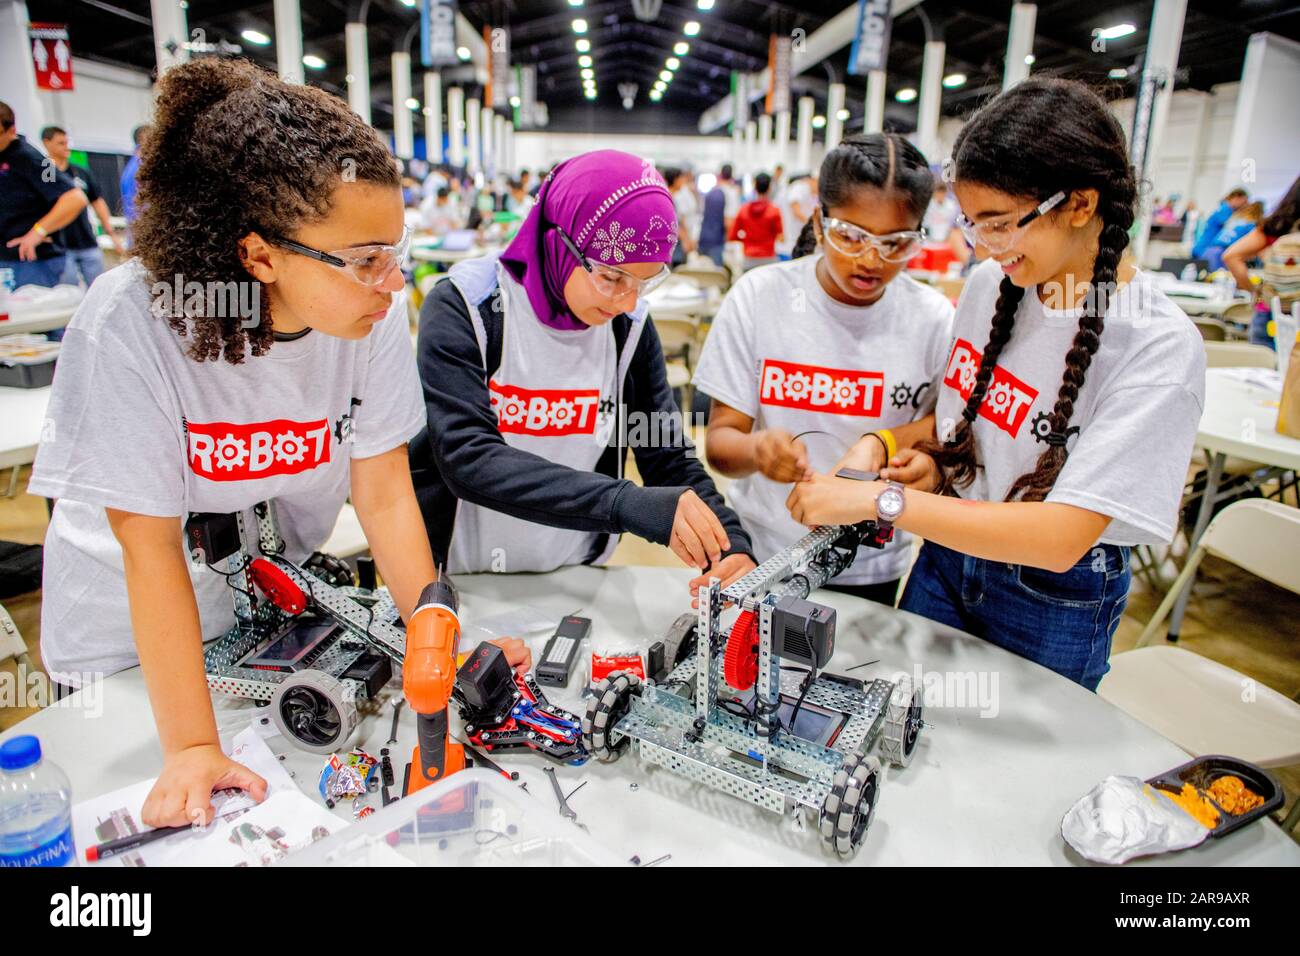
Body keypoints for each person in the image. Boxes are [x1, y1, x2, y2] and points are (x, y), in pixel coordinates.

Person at [27, 59, 529, 830]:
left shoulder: (369, 318)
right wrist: (191, 743)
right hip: (128, 650)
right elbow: (148, 548)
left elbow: (386, 492)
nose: (393, 280)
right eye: (366, 259)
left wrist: (439, 638)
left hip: (257, 630)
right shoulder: (136, 322)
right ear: (259, 255)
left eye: (393, 251)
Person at [786, 78, 1205, 691]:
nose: (982, 247)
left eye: (1000, 225)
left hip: (1051, 596)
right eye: (971, 224)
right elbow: (968, 428)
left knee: (1019, 778)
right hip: (946, 557)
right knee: (904, 727)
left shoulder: (1155, 344)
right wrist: (904, 454)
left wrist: (881, 502)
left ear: (1080, 205)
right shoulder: (993, 287)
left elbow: (1061, 538)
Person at [409, 150, 756, 598]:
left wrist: (728, 544)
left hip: (575, 575)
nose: (627, 301)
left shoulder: (627, 328)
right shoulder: (471, 307)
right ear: (559, 240)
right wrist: (623, 502)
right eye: (612, 277)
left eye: (645, 282)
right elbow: (468, 457)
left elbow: (663, 451)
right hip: (463, 576)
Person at [694, 134, 954, 606]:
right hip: (763, 553)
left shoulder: (933, 319)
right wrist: (757, 450)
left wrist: (916, 460)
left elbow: (947, 429)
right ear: (818, 221)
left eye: (896, 243)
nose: (871, 259)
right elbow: (720, 443)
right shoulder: (760, 298)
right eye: (851, 236)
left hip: (869, 564)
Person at [0, 101, 88, 288]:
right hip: (7, 261)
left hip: (33, 263)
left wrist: (38, 231)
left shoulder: (32, 158)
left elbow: (74, 198)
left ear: (10, 130)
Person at [40, 126, 125, 287]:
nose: (66, 147)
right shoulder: (45, 174)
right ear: (46, 143)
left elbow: (97, 202)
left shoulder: (80, 173)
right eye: (61, 143)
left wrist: (112, 233)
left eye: (67, 142)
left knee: (100, 288)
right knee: (69, 293)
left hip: (87, 242)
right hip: (60, 248)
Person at [1223, 176, 1300, 347]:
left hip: (1271, 313)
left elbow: (1231, 256)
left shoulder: (1276, 226)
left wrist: (1254, 291)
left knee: (1263, 368)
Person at [729, 172, 784, 271]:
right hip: (768, 259)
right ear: (769, 188)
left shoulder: (743, 210)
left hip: (749, 259)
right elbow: (781, 237)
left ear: (754, 186)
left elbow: (732, 236)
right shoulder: (774, 211)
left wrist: (747, 240)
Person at [1192, 187, 1249, 260]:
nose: (1245, 206)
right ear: (1236, 198)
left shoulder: (1222, 208)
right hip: (1205, 250)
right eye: (1244, 202)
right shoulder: (1225, 211)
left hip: (1204, 248)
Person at [698, 164, 738, 267]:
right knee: (718, 277)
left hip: (703, 239)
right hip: (718, 242)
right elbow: (728, 222)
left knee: (703, 275)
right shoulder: (730, 193)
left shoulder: (711, 192)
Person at [664, 166, 699, 265]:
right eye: (681, 179)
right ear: (675, 180)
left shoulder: (671, 197)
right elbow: (675, 224)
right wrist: (686, 240)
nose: (683, 182)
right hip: (674, 246)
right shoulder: (668, 199)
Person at [119, 123, 150, 223]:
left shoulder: (130, 168)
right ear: (144, 138)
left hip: (136, 229)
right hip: (143, 227)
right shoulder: (141, 167)